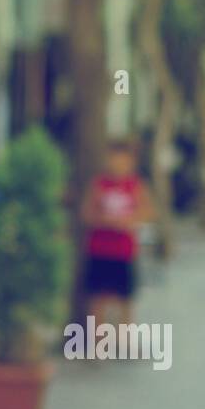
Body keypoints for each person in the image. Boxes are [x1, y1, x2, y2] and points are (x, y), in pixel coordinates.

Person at [79, 139, 155, 331]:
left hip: (124, 251)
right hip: (100, 249)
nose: (117, 164)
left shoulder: (135, 186)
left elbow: (148, 212)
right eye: (113, 159)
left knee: (125, 298)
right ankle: (98, 343)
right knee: (98, 298)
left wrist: (129, 222)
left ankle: (124, 340)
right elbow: (86, 213)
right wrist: (106, 221)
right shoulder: (99, 184)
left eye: (122, 160)